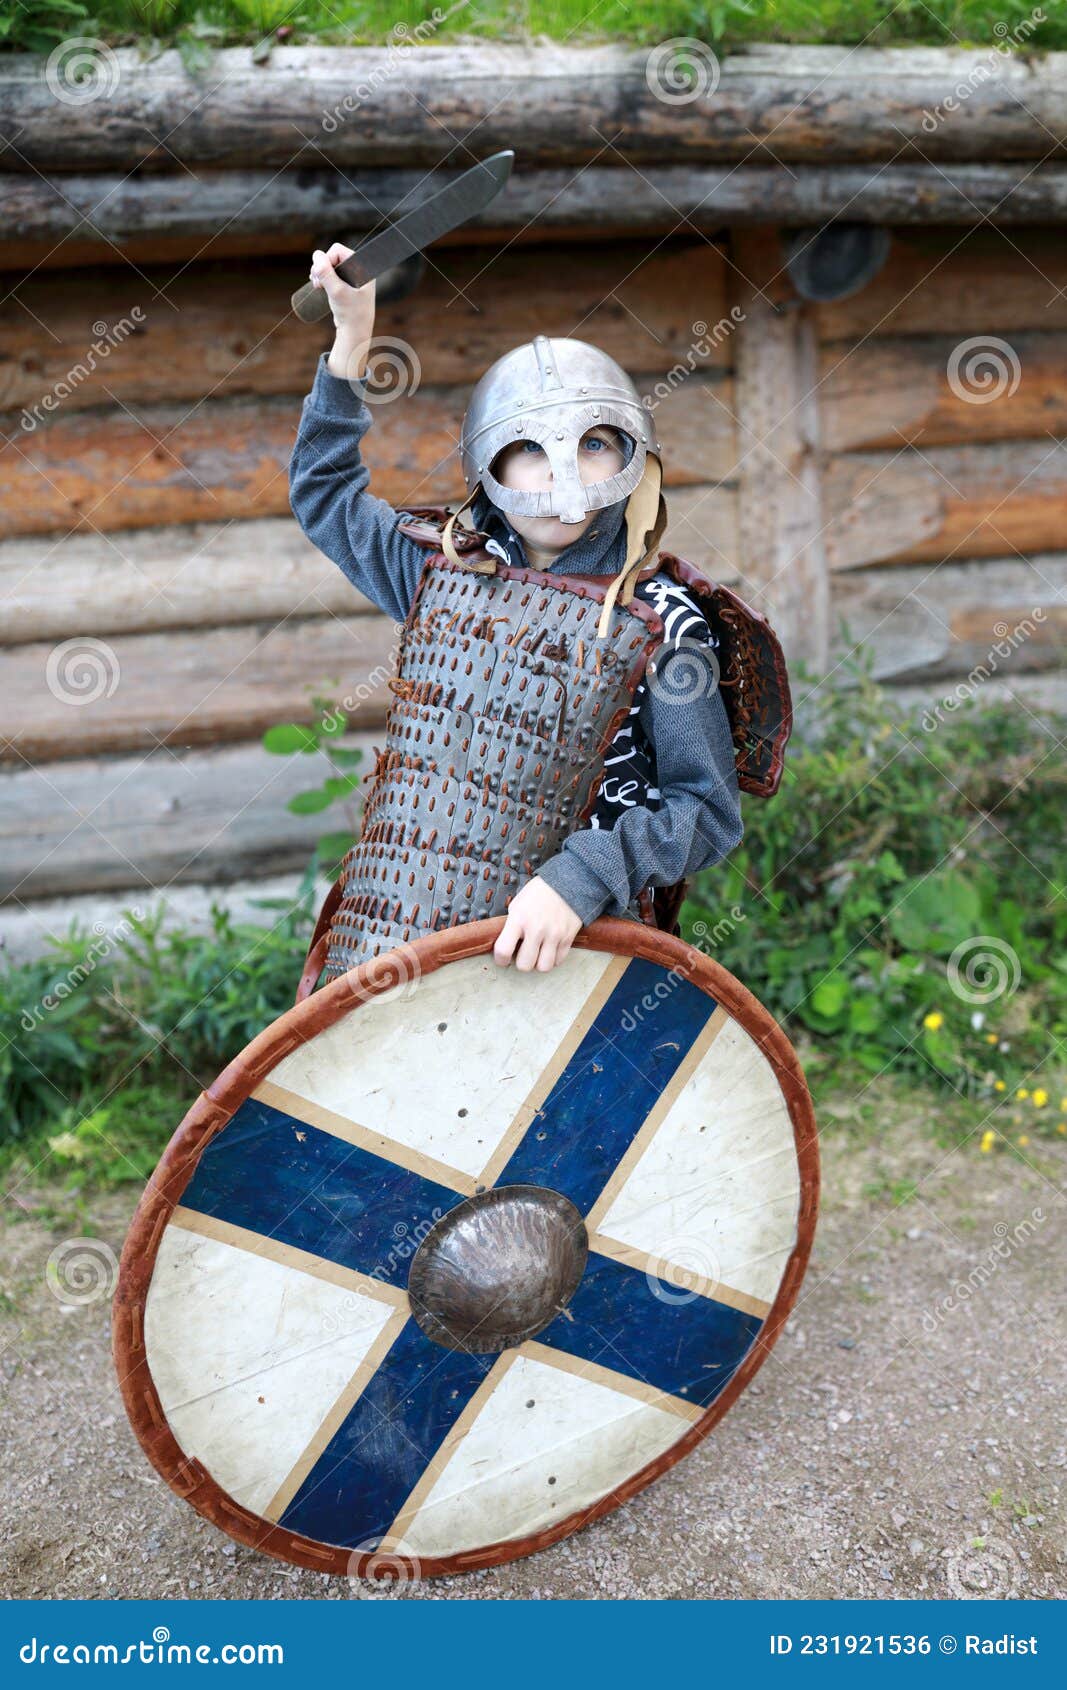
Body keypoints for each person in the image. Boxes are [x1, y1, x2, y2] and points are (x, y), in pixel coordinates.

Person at [288, 245, 748, 978]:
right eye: (527, 446)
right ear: (489, 467)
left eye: (594, 443)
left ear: (633, 454)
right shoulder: (443, 572)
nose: (562, 470)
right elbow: (325, 495)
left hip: (571, 954)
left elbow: (704, 812)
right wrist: (351, 342)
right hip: (402, 931)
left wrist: (580, 879)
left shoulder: (664, 624)